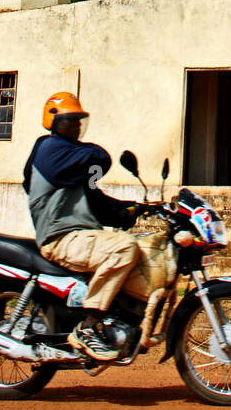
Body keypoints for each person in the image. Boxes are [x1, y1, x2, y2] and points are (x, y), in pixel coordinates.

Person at [23, 91, 142, 361]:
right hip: (60, 237)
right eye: (70, 119)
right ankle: (89, 328)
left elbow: (94, 199)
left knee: (136, 250)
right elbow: (101, 158)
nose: (76, 125)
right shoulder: (51, 149)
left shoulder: (72, 166)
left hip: (79, 235)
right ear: (53, 122)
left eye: (79, 120)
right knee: (123, 248)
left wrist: (128, 210)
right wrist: (95, 154)